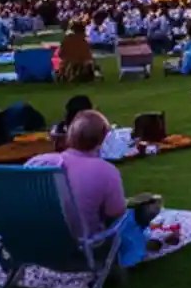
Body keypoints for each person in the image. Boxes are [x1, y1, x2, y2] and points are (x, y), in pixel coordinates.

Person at [25, 110, 151, 266]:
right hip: (82, 243)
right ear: (103, 139)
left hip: (35, 240)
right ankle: (120, 264)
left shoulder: (37, 163)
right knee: (136, 215)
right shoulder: (105, 170)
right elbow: (116, 212)